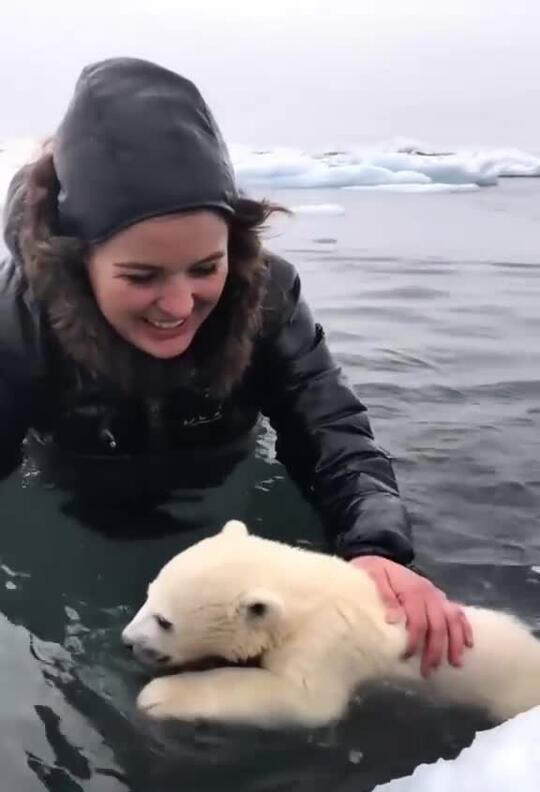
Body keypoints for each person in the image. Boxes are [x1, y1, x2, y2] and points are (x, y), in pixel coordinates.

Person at [0, 57, 471, 677]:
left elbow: (332, 430)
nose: (178, 304)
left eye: (205, 268)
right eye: (141, 276)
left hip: (230, 497)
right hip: (77, 505)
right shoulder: (21, 319)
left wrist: (375, 546)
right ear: (77, 261)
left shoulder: (266, 295)